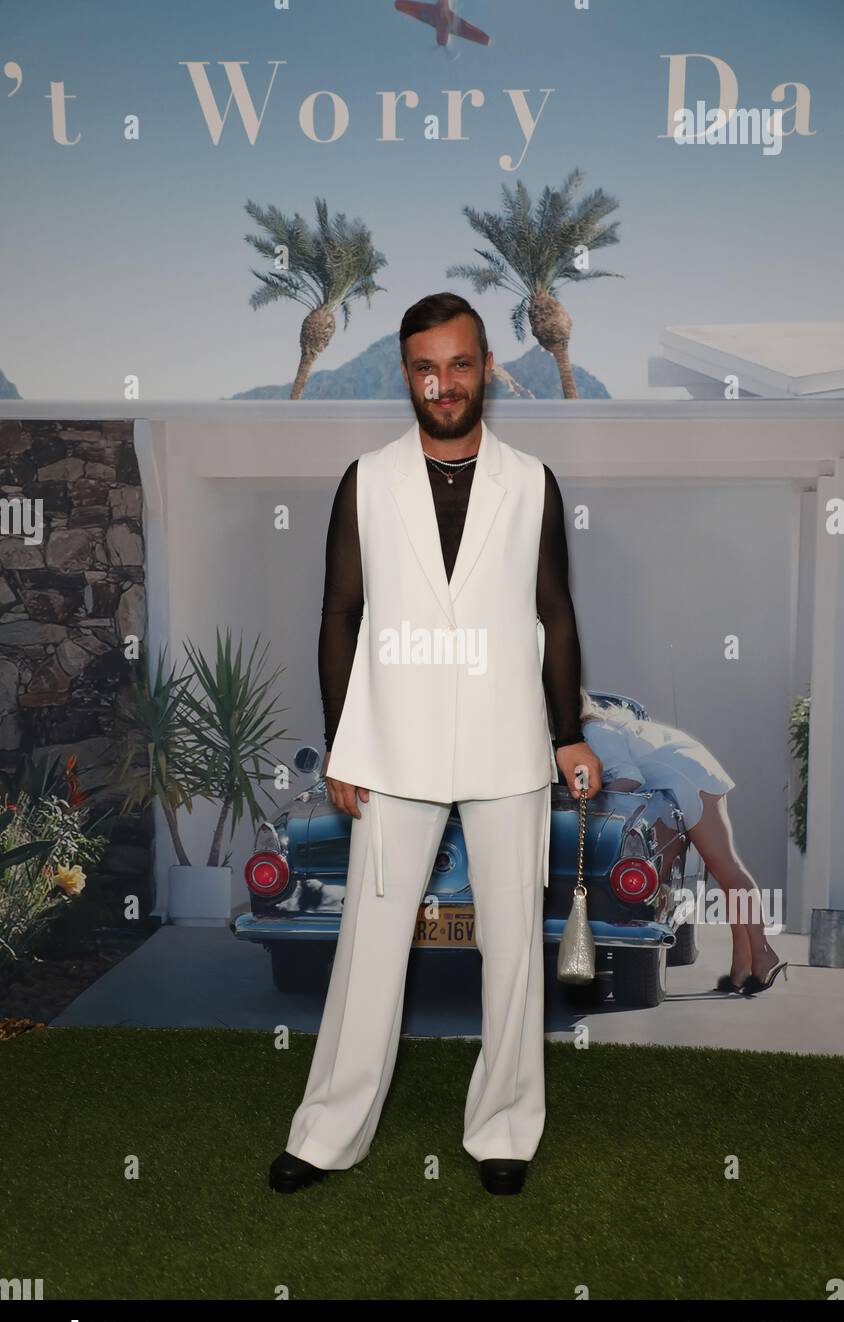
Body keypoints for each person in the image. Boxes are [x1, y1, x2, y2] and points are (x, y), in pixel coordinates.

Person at [268, 292, 603, 1198]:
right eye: (426, 366)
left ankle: (504, 1131)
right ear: (406, 374)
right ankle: (328, 1131)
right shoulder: (366, 479)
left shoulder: (530, 480)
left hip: (509, 745)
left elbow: (555, 614)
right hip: (396, 749)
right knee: (369, 946)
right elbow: (341, 615)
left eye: (459, 364)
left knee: (511, 947)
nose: (443, 382)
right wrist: (343, 744)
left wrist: (568, 733)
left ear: (484, 366)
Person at [578, 689, 787, 997]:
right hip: (691, 766)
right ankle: (742, 966)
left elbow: (629, 778)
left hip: (688, 775)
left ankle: (764, 951)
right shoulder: (602, 726)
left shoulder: (593, 732)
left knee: (728, 869)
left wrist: (585, 800)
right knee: (726, 873)